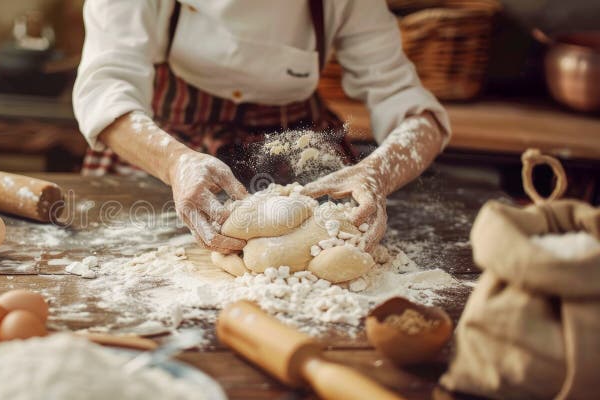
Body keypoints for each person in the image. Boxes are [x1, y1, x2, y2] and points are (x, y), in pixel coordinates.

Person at [73, 0, 451, 254]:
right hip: (164, 145)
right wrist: (175, 163)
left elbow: (409, 104)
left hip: (295, 152)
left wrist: (377, 172)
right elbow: (105, 86)